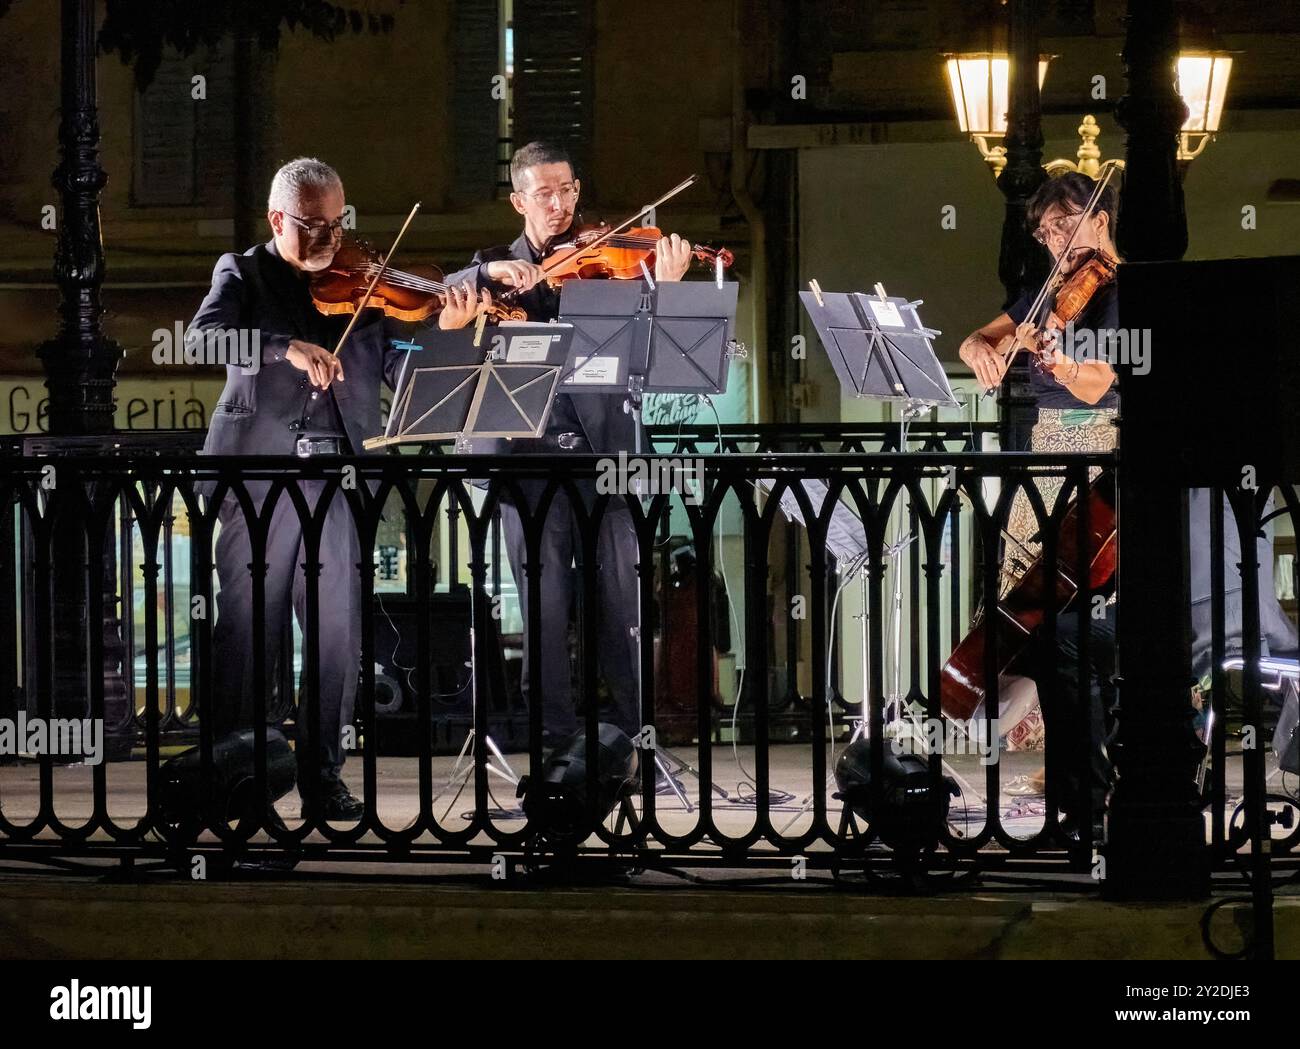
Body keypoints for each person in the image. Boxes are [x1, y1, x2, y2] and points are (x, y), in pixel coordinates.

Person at [191, 157, 476, 820]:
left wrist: (449, 324)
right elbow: (204, 339)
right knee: (248, 631)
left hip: (338, 474)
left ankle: (322, 775)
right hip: (257, 476)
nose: (327, 239)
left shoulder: (367, 286)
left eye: (337, 223)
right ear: (277, 219)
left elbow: (407, 373)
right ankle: (240, 773)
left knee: (335, 635)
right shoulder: (243, 271)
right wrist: (283, 347)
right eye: (311, 225)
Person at [441, 140, 691, 746]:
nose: (560, 204)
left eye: (569, 190)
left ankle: (635, 741)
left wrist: (669, 290)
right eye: (546, 193)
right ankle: (553, 739)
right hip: (524, 459)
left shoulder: (611, 257)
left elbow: (654, 358)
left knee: (621, 607)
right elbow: (441, 299)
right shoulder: (494, 263)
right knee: (545, 608)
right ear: (518, 200)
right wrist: (485, 276)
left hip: (606, 453)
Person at [958, 170, 1121, 596]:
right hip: (1044, 449)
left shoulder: (1120, 293)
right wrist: (974, 347)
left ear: (1099, 222)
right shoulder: (1045, 295)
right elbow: (981, 338)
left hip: (1095, 455)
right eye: (1044, 232)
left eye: (1063, 224)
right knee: (1020, 583)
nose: (1053, 239)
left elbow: (1095, 386)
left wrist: (1058, 363)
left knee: (1074, 583)